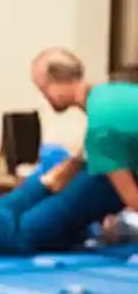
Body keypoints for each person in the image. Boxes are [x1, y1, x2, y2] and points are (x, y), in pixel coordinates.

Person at [31, 47, 138, 212]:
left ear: (56, 84)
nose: (44, 97)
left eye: (43, 89)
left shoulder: (100, 128)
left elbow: (133, 200)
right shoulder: (113, 93)